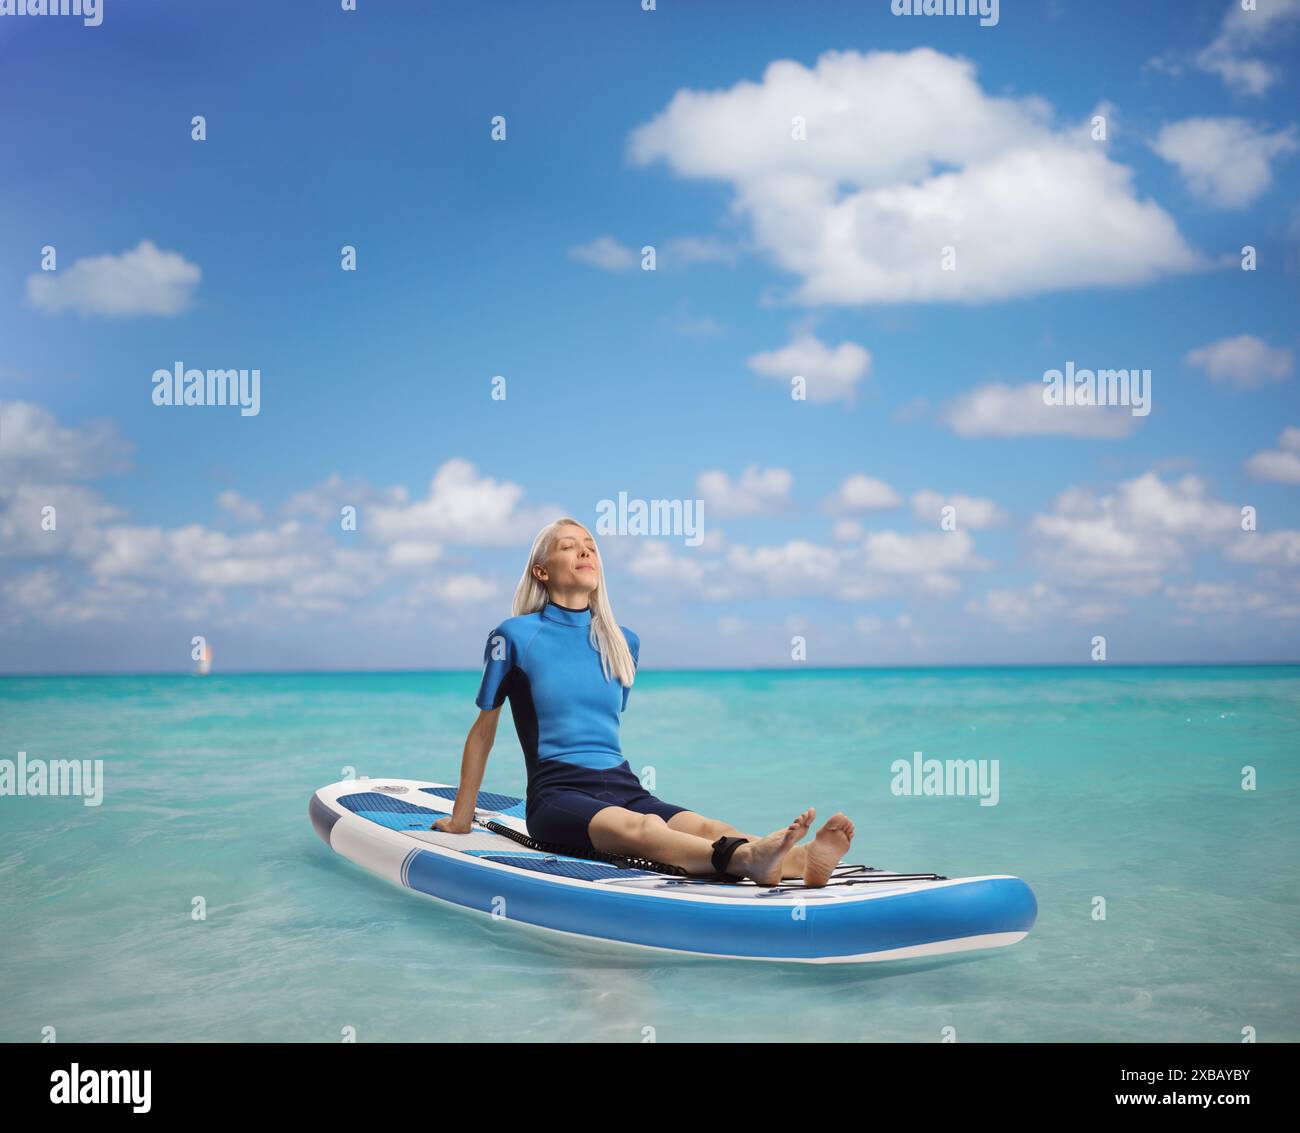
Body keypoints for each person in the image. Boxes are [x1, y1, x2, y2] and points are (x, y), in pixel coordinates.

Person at [433, 517, 854, 887]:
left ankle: (802, 860)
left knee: (709, 825)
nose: (584, 550)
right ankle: (747, 860)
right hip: (557, 794)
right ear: (541, 571)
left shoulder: (622, 643)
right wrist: (462, 817)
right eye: (568, 546)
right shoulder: (515, 636)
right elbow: (484, 730)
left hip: (622, 784)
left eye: (590, 546)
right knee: (643, 828)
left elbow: (603, 725)